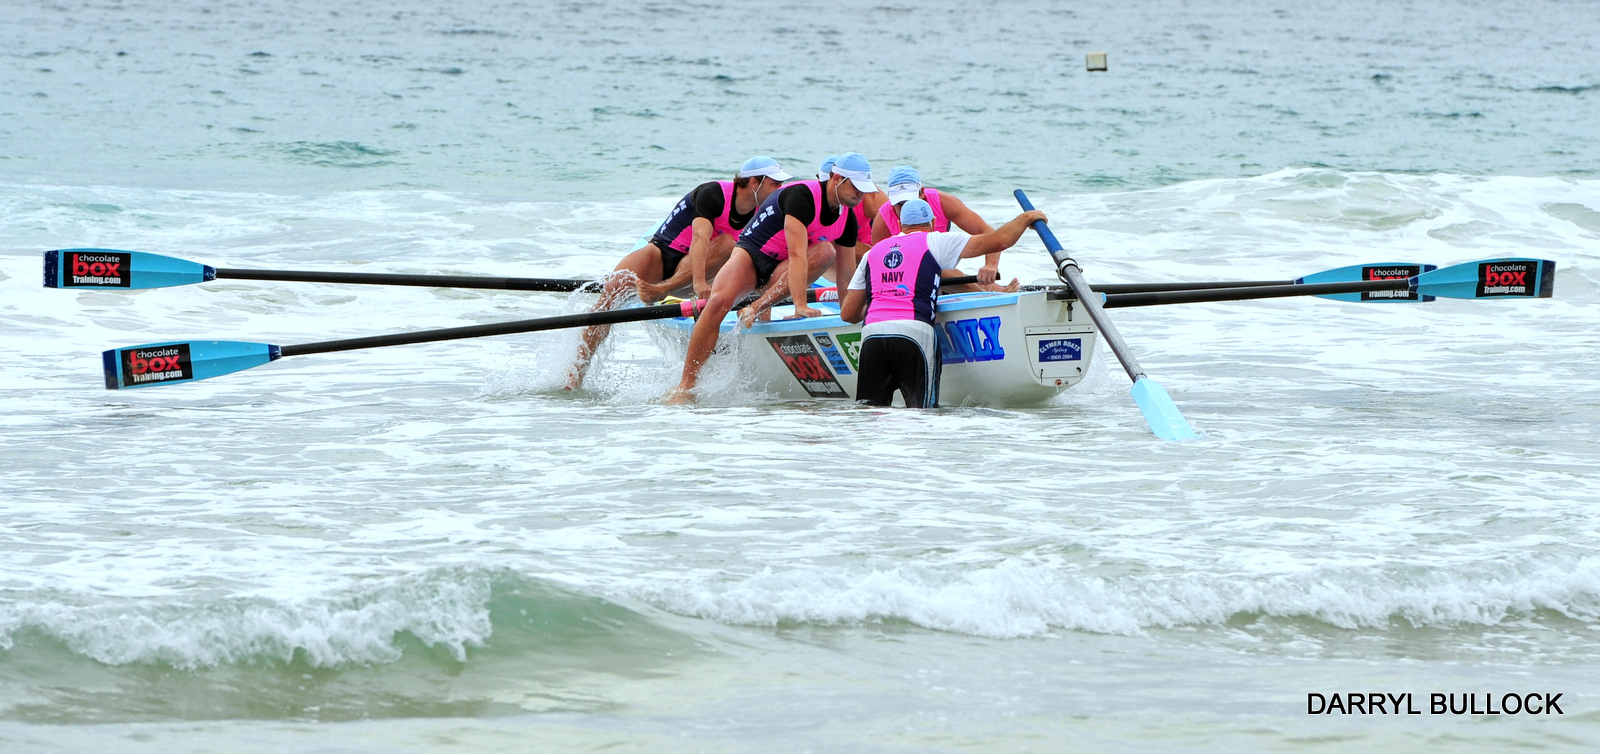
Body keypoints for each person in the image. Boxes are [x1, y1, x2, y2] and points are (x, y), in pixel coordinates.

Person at [664, 152, 877, 404]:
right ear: (837, 178)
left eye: (865, 189)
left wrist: (849, 316)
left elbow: (846, 277)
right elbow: (798, 256)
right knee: (718, 304)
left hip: (781, 269)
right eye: (856, 187)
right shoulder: (802, 197)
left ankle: (756, 306)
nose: (861, 194)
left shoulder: (847, 219)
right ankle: (685, 386)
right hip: (751, 256)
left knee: (826, 251)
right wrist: (800, 306)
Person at [565, 156, 792, 390]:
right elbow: (700, 238)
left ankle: (662, 291)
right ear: (754, 182)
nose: (780, 189)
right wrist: (698, 282)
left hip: (712, 271)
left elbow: (770, 259)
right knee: (610, 296)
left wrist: (764, 316)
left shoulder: (765, 212)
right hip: (662, 256)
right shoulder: (713, 194)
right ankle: (574, 375)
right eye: (775, 183)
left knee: (729, 246)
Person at [840, 198, 1047, 408]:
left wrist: (886, 297)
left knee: (869, 412)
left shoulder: (872, 253)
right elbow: (999, 240)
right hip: (913, 333)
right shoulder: (935, 240)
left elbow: (848, 314)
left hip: (872, 336)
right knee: (921, 413)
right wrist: (1026, 217)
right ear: (932, 222)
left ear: (900, 224)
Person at [870, 165, 1016, 290]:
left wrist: (990, 265)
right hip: (907, 274)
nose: (907, 209)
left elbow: (987, 232)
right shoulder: (882, 220)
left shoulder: (943, 202)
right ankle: (993, 293)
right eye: (900, 204)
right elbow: (876, 264)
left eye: (910, 201)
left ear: (922, 193)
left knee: (936, 263)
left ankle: (990, 292)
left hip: (939, 267)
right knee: (934, 265)